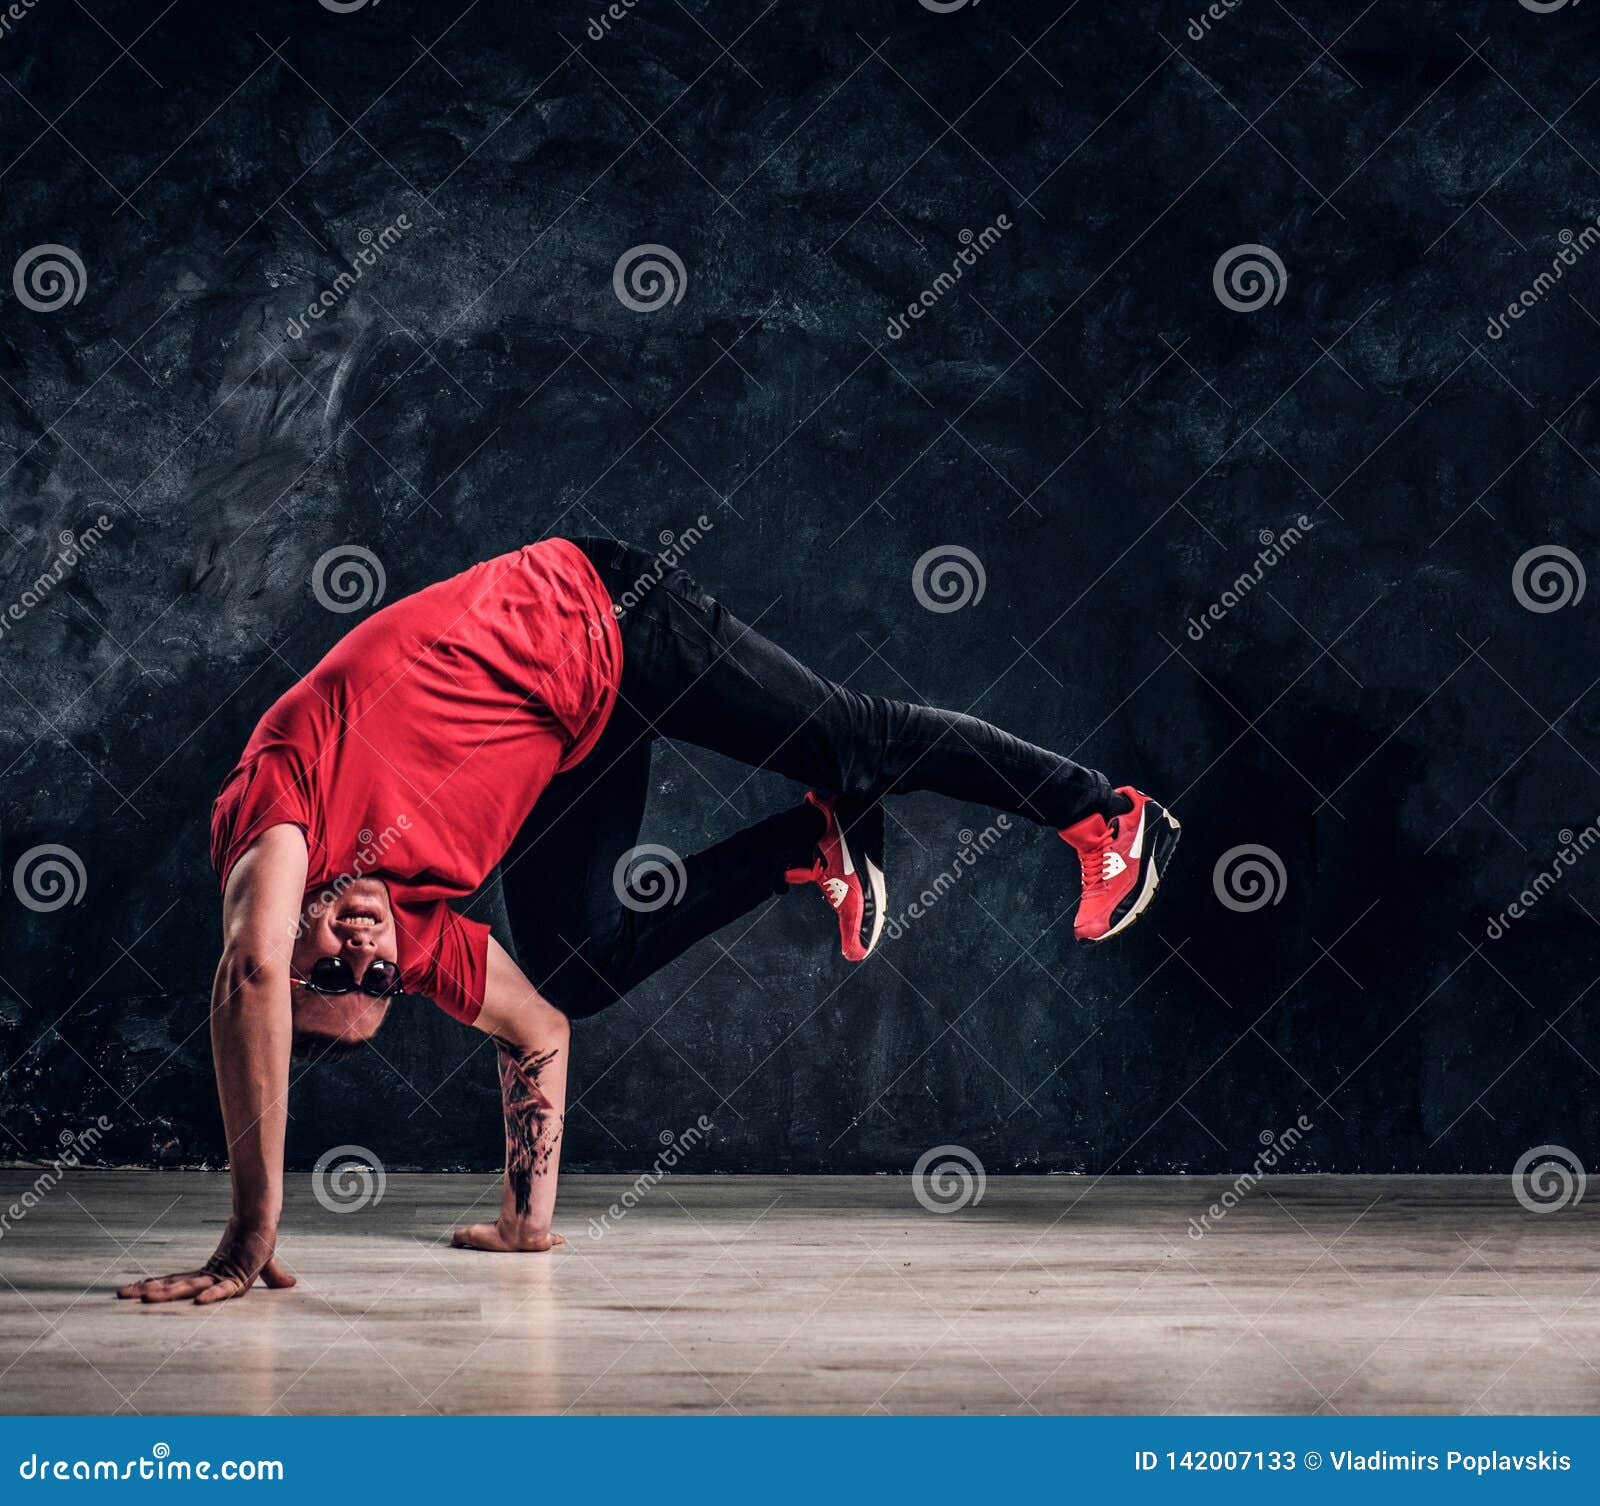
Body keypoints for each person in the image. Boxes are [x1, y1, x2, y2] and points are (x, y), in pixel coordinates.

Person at [115, 536, 1180, 1304]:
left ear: (271, 939)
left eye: (327, 974)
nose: (361, 958)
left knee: (851, 743)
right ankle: (801, 850)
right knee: (571, 969)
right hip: (579, 728)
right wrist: (525, 1226)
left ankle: (1101, 811)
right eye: (376, 988)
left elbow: (247, 978)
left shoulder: (274, 811)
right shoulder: (408, 924)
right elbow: (537, 1029)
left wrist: (250, 1236)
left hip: (600, 608)